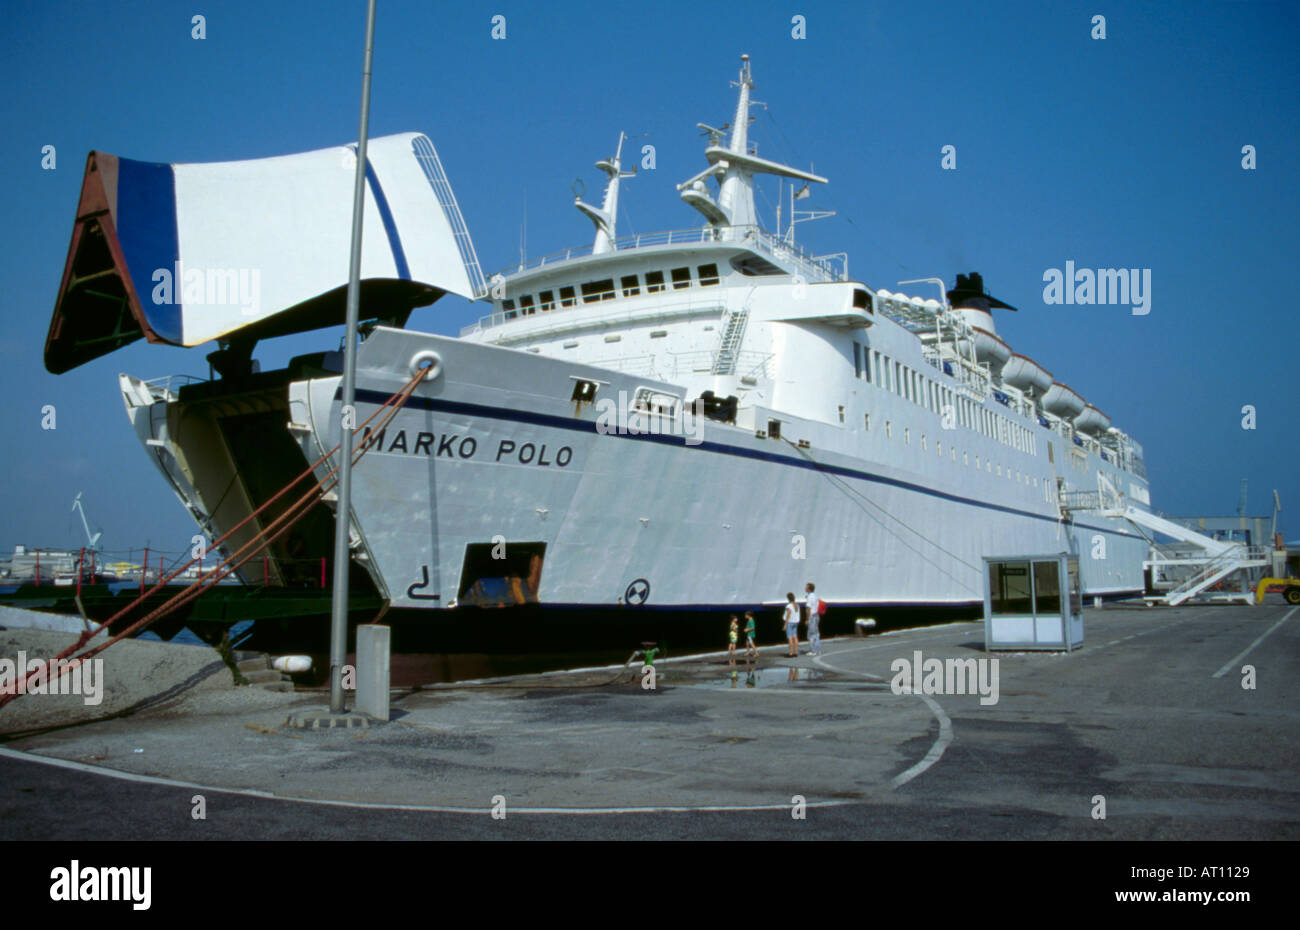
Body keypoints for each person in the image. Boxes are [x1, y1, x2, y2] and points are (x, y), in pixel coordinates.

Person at [805, 582, 822, 656]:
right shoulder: (815, 596)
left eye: (806, 587)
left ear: (809, 589)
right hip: (816, 615)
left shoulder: (809, 597)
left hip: (812, 616)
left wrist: (807, 619)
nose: (805, 588)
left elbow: (809, 608)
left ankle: (813, 651)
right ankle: (818, 650)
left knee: (811, 634)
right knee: (816, 633)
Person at [783, 592, 799, 657]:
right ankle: (795, 652)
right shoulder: (796, 605)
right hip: (795, 622)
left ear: (788, 598)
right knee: (795, 636)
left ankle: (790, 653)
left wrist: (785, 624)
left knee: (789, 637)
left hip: (790, 622)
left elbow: (788, 615)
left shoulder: (789, 606)